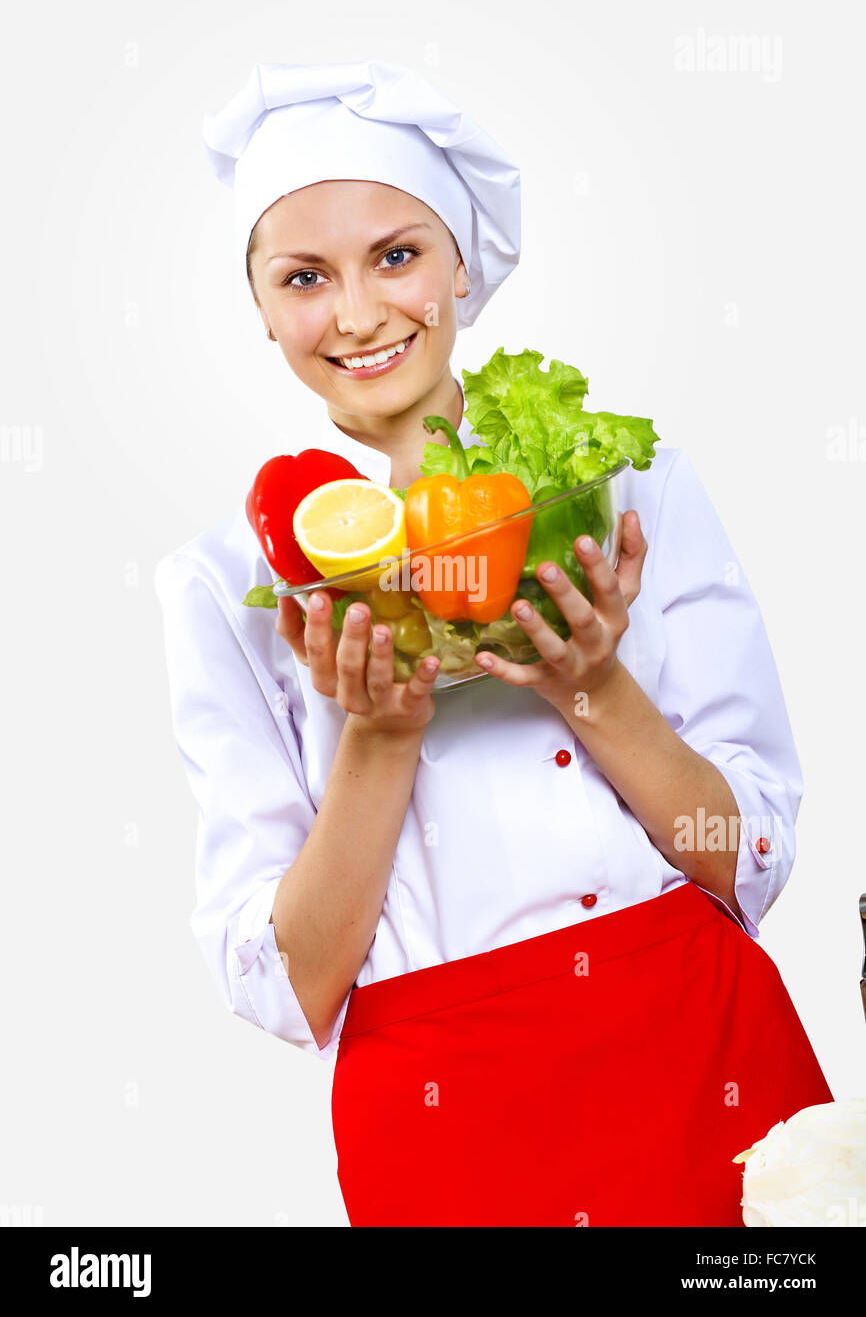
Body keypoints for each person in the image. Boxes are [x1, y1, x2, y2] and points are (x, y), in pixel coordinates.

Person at [154, 60, 833, 1228]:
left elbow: (751, 856)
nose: (359, 313)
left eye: (397, 255)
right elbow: (289, 985)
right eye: (303, 277)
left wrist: (593, 686)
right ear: (260, 310)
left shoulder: (624, 482)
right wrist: (379, 733)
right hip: (447, 1116)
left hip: (701, 1046)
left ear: (462, 262)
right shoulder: (228, 587)